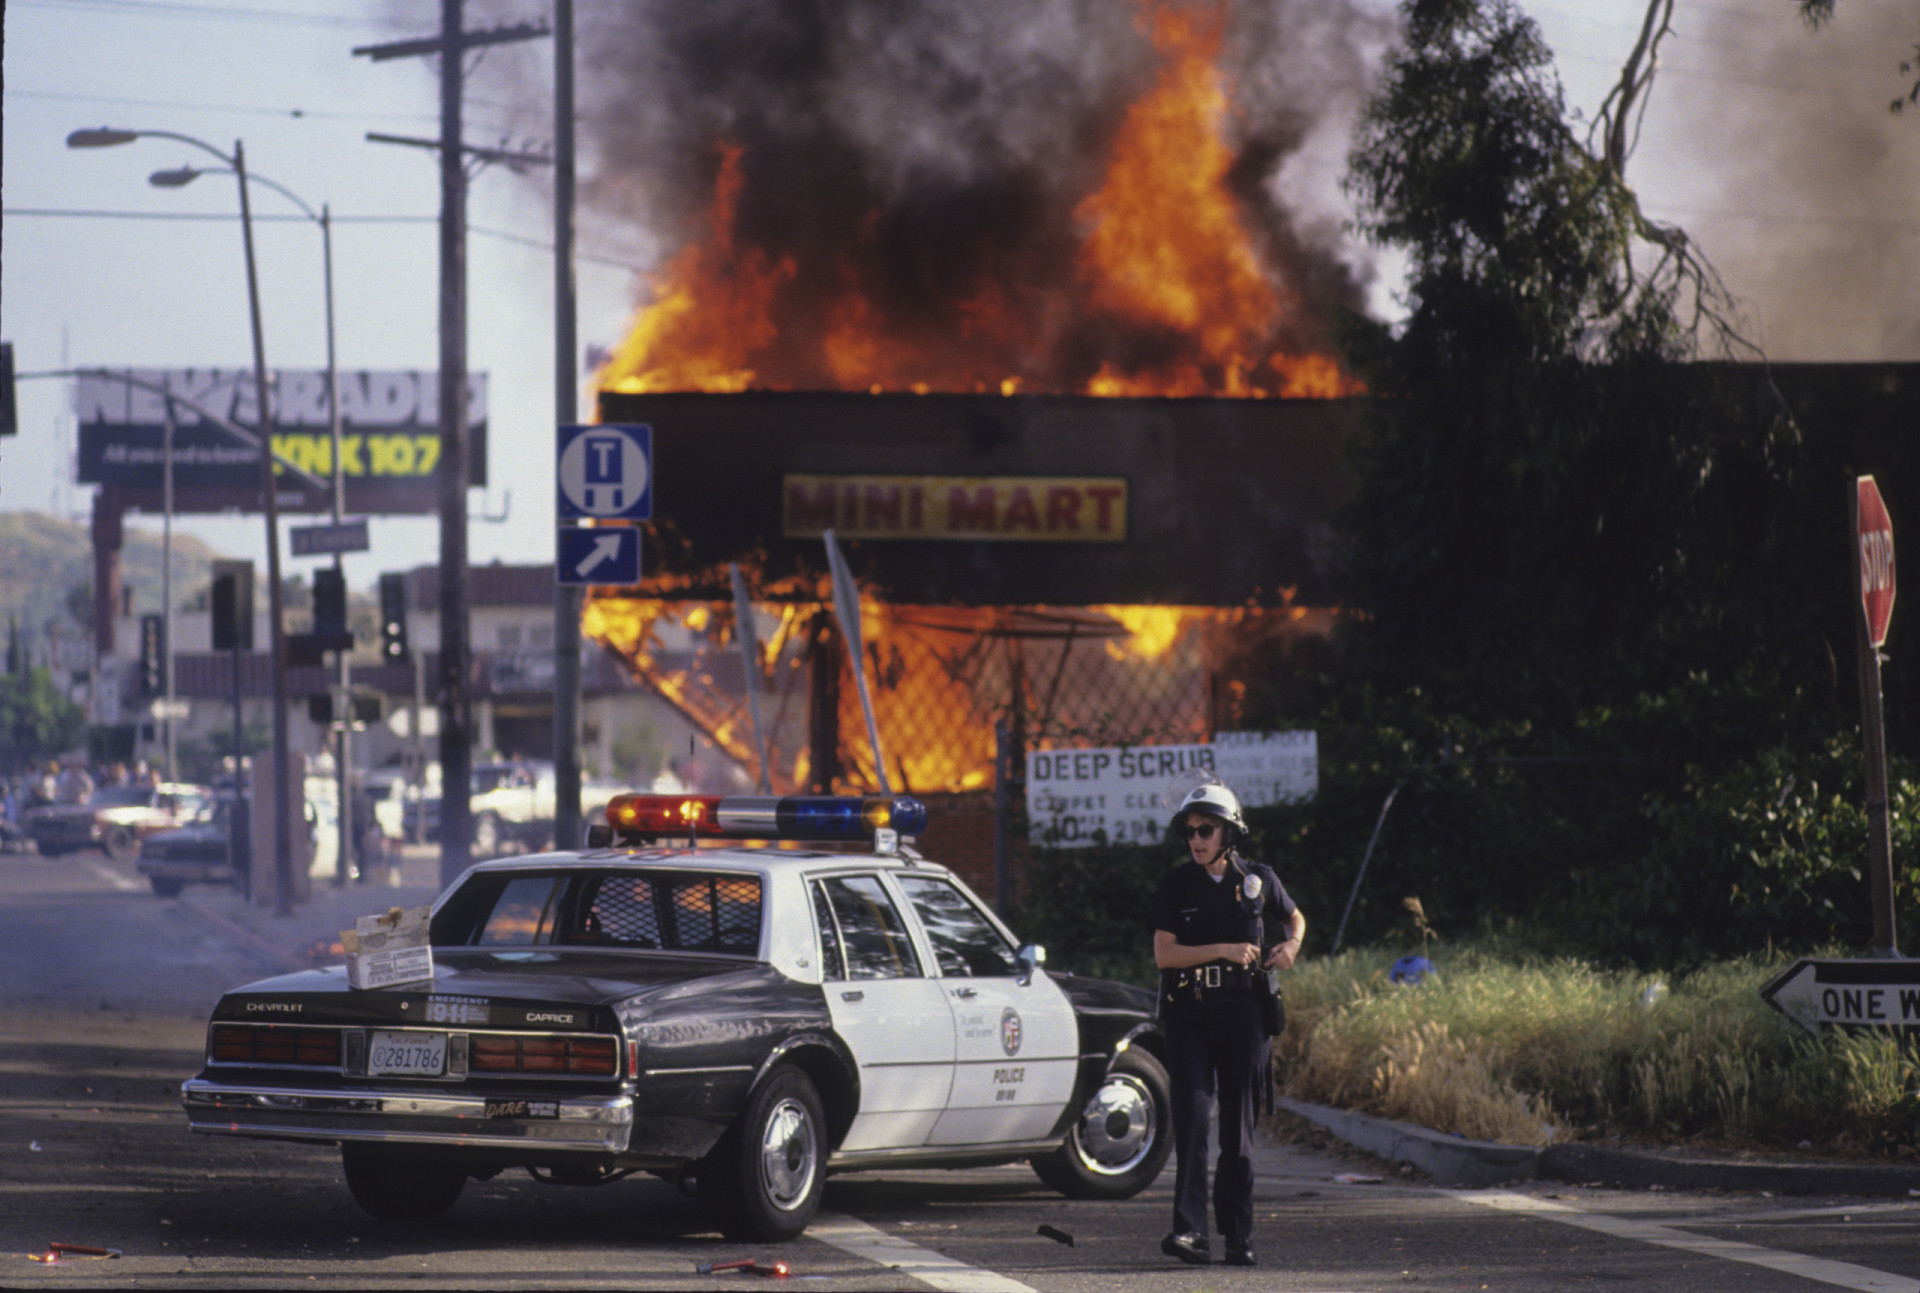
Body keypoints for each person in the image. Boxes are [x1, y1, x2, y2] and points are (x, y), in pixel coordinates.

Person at [1149, 779, 1304, 1268]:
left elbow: (1295, 918)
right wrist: (1223, 949)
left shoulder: (1257, 879)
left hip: (1244, 1015)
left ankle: (1238, 1236)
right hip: (1189, 1015)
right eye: (1190, 831)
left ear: (1229, 833)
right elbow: (1164, 954)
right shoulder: (1176, 884)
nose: (1196, 839)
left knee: (1238, 1132)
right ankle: (1190, 1232)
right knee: (1192, 1123)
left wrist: (1291, 946)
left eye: (1206, 830)